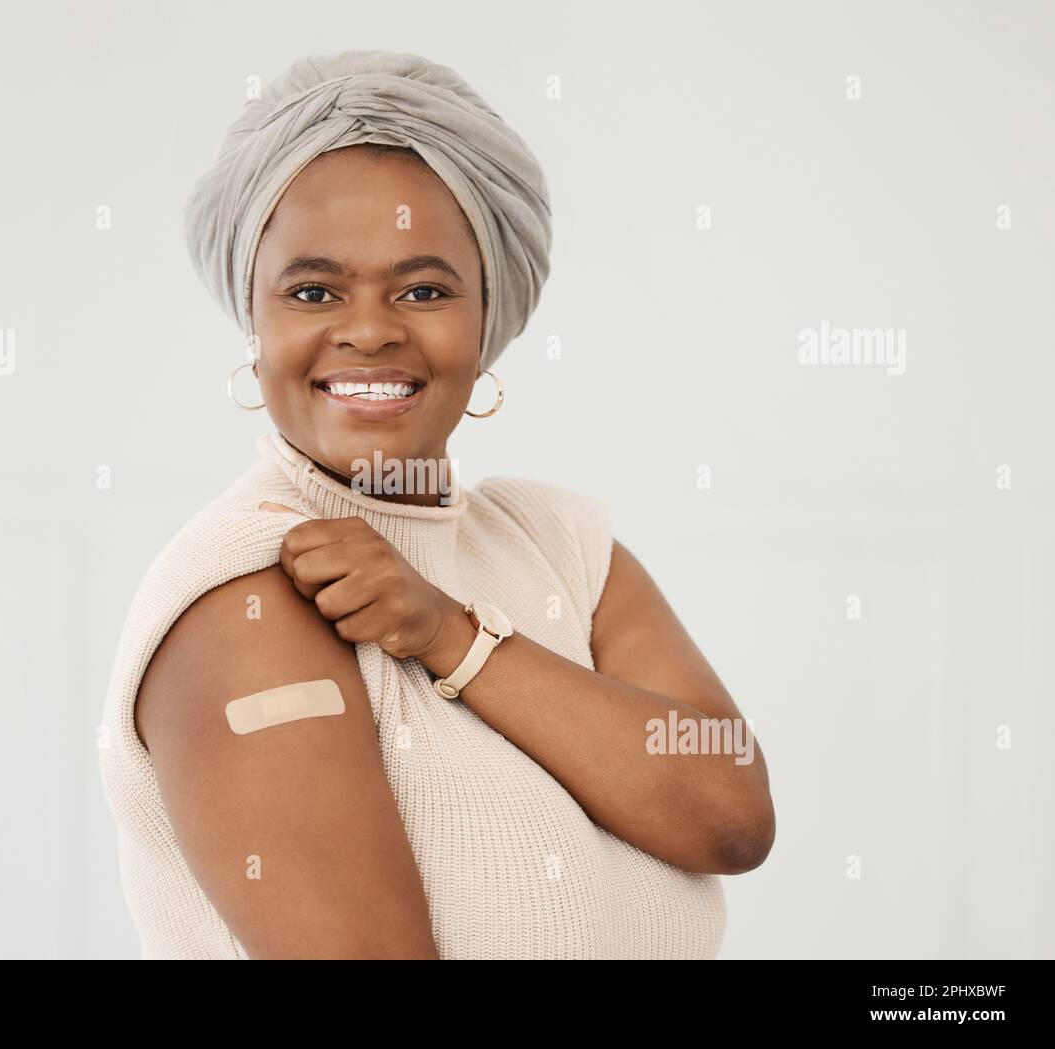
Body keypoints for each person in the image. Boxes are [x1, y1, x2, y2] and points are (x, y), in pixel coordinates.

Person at [98, 49, 774, 960]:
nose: (371, 328)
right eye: (312, 290)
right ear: (252, 326)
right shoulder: (247, 587)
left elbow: (731, 817)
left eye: (424, 289)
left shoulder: (561, 543)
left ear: (487, 321)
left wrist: (450, 633)